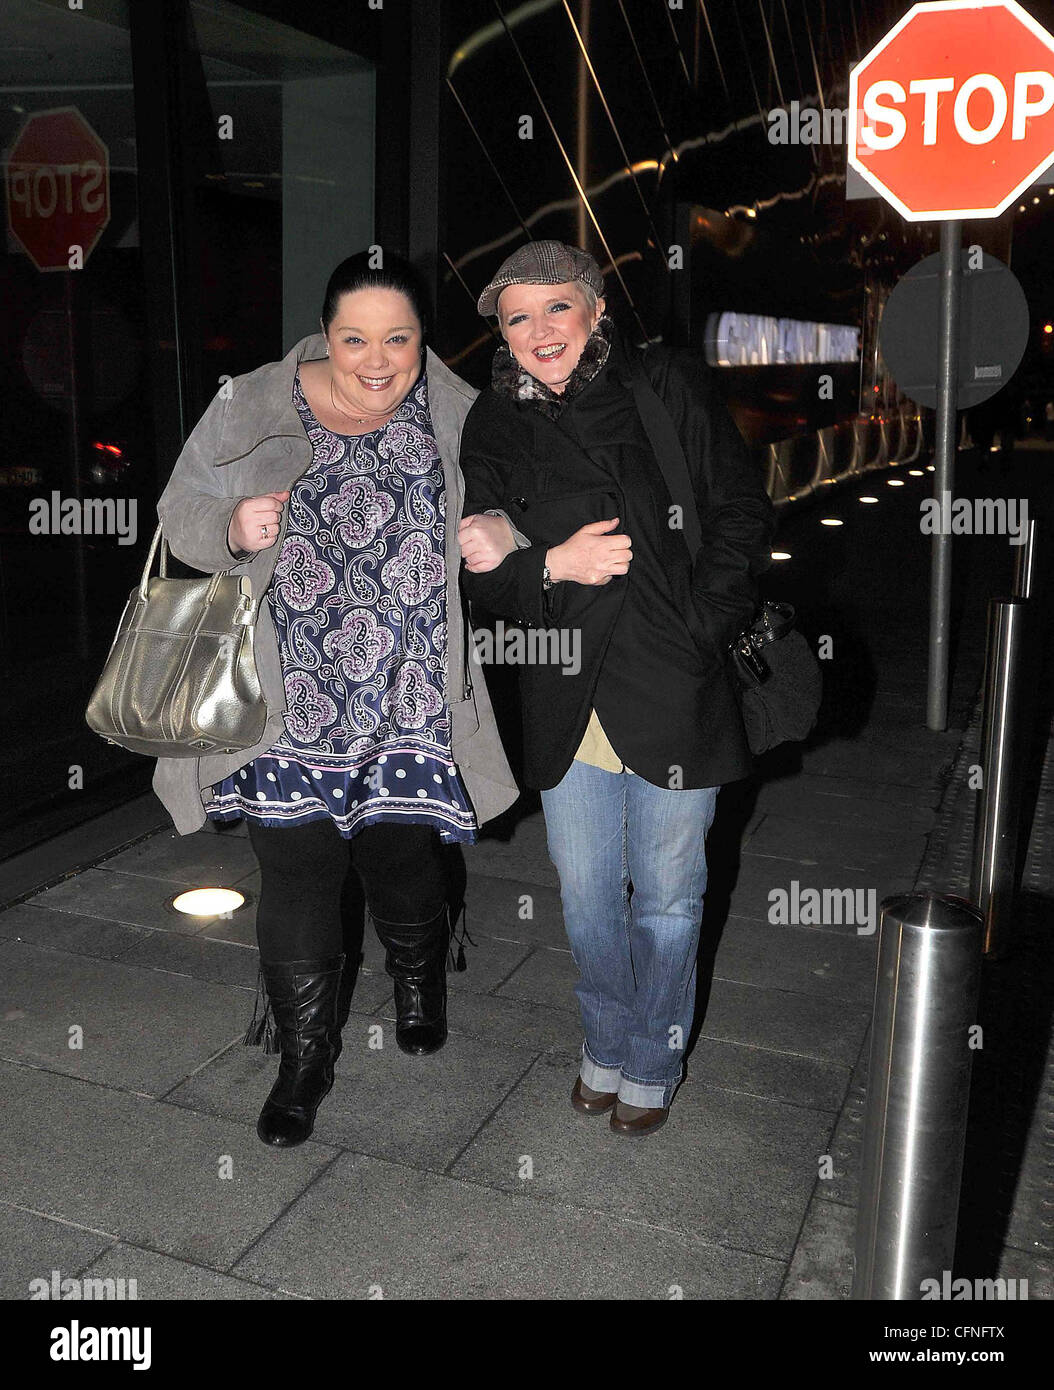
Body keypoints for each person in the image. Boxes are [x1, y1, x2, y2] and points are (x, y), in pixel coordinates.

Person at [152, 251, 522, 1147]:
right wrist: (229, 528)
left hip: (408, 692)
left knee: (403, 863)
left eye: (398, 337)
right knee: (297, 875)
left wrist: (506, 528)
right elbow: (177, 507)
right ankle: (303, 1058)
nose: (377, 358)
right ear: (327, 334)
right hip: (288, 691)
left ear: (421, 337)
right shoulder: (255, 399)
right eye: (355, 338)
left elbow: (525, 497)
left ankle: (419, 976)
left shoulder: (460, 411)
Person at [457, 241, 775, 1137]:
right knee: (589, 896)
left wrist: (702, 628)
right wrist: (554, 562)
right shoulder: (493, 423)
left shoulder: (660, 386)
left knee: (671, 898)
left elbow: (740, 512)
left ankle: (654, 1057)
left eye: (556, 307)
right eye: (517, 317)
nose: (538, 331)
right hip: (565, 693)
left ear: (596, 310)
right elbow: (484, 577)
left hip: (673, 683)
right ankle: (605, 1039)